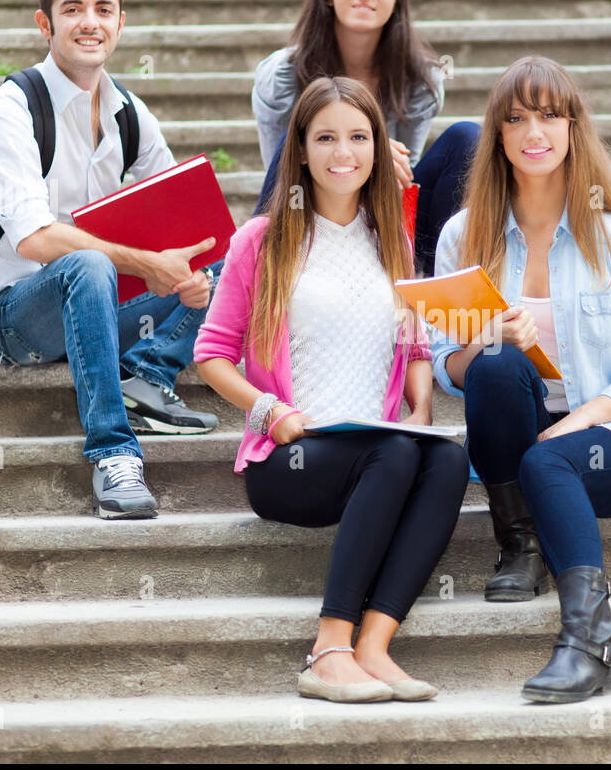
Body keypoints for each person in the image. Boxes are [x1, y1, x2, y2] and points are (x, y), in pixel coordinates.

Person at [196, 76, 469, 704]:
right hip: (291, 457)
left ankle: (374, 643)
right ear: (300, 149)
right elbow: (210, 354)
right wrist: (270, 412)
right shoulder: (261, 241)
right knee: (394, 453)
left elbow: (414, 339)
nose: (342, 152)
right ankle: (328, 649)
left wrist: (422, 400)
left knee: (449, 457)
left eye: (357, 136)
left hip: (375, 446)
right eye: (325, 137)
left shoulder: (390, 239)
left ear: (378, 147)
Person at [430, 56, 611, 703]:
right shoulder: (464, 235)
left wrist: (575, 422)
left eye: (549, 115)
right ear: (499, 135)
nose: (533, 131)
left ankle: (589, 644)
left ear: (573, 128)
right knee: (494, 361)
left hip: (605, 433)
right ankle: (519, 544)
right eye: (516, 118)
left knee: (549, 463)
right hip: (510, 426)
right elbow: (443, 366)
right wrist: (485, 339)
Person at [0, 0, 221, 520]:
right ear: (46, 23)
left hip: (102, 306)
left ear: (120, 22)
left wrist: (191, 276)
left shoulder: (130, 112)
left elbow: (186, 226)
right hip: (16, 316)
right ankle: (113, 454)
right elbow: (34, 240)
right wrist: (146, 264)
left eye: (103, 9)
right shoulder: (13, 106)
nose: (90, 21)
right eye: (73, 8)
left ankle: (146, 376)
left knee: (232, 256)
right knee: (88, 264)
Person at [252, 0, 479, 274]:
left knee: (466, 138)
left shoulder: (420, 79)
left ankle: (435, 291)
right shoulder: (282, 75)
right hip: (307, 214)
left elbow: (404, 175)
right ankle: (268, 278)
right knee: (292, 141)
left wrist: (378, 160)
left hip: (381, 215)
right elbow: (281, 171)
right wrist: (366, 148)